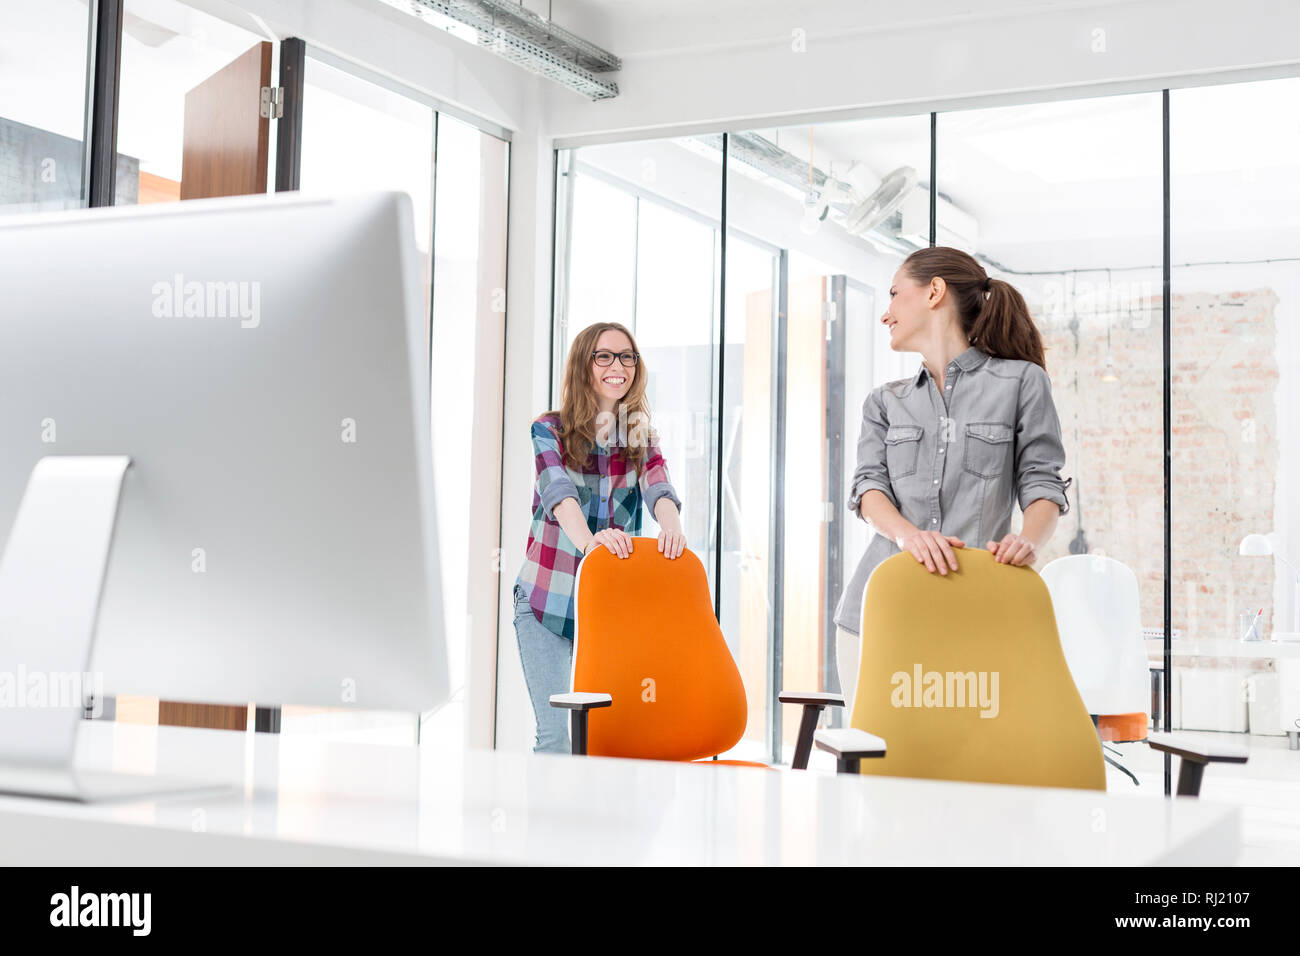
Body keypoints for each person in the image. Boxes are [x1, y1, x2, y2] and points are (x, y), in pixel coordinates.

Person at [833, 247, 1074, 709]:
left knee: (970, 770)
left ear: (934, 292)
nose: (886, 314)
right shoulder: (884, 402)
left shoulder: (1022, 382)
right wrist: (909, 537)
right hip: (875, 618)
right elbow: (868, 490)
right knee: (881, 768)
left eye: (894, 294)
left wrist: (1031, 541)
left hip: (975, 618)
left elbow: (1043, 480)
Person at [513, 321, 686, 753]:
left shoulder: (640, 434)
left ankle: (599, 820)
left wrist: (673, 530)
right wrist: (592, 544)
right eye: (604, 355)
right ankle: (548, 823)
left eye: (626, 356)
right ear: (583, 365)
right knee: (556, 737)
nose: (618, 365)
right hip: (547, 600)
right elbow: (559, 492)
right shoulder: (547, 430)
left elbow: (658, 485)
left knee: (611, 738)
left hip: (612, 607)